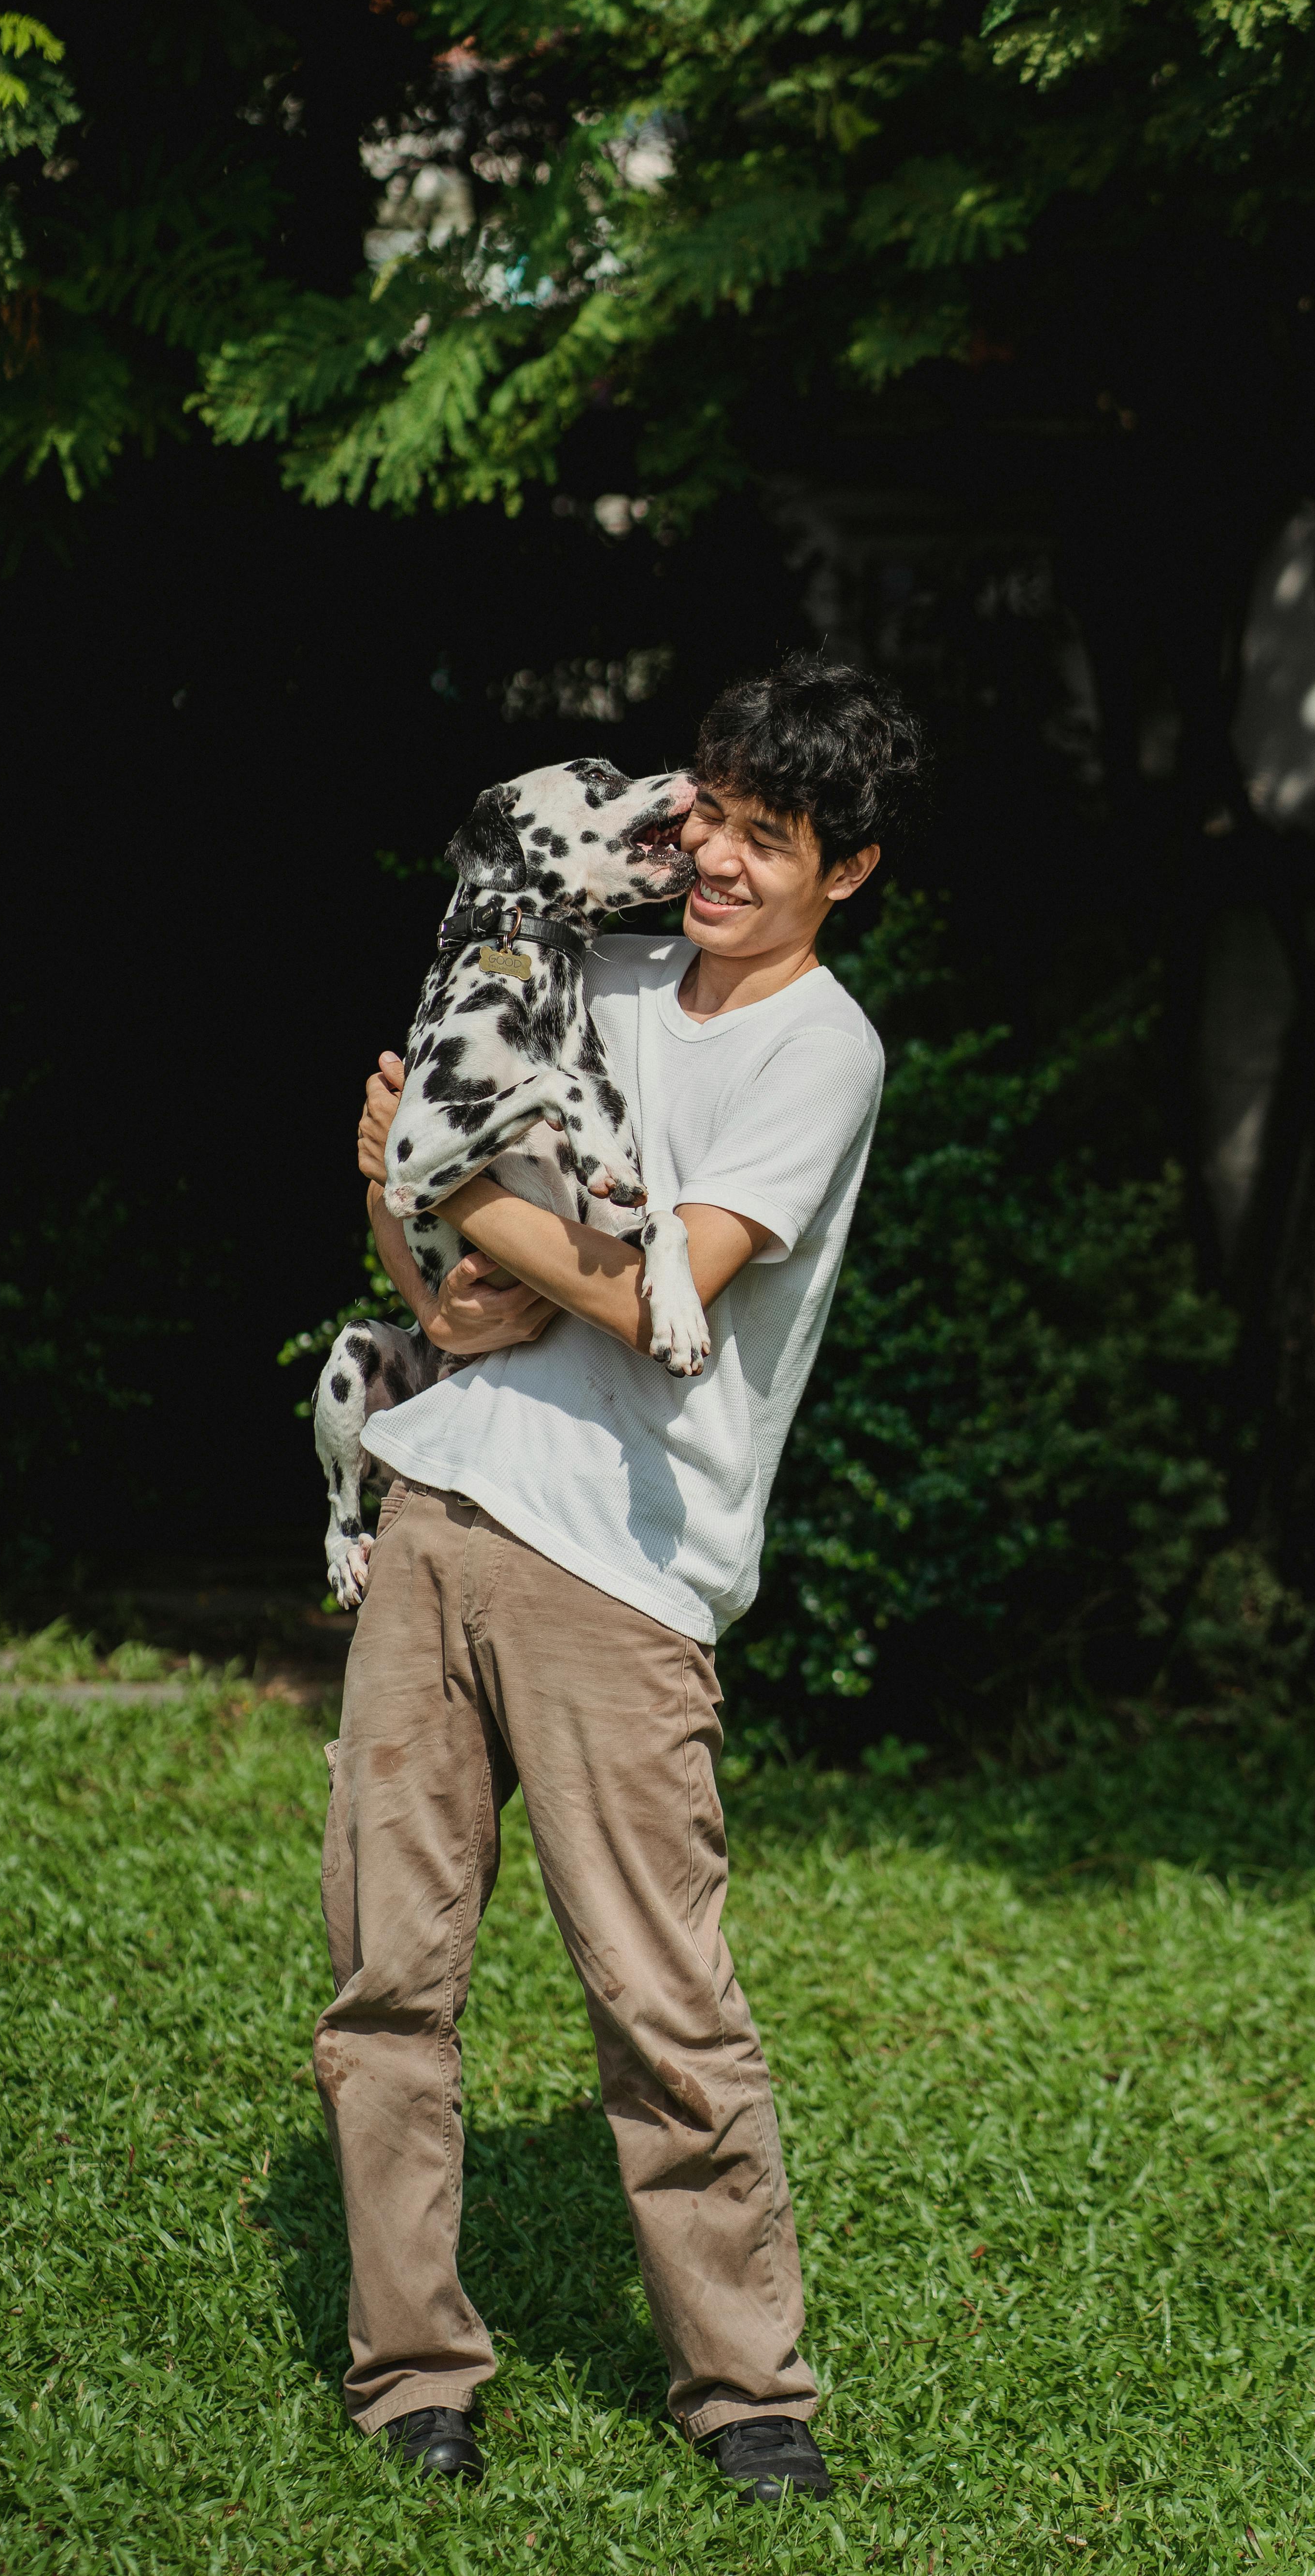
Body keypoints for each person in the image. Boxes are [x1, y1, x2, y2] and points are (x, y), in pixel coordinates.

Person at [316, 655, 922, 2504]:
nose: (718, 860)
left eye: (770, 838)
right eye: (712, 817)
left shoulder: (824, 1053)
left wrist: (468, 1183)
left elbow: (676, 1295)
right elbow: (462, 1276)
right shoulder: (593, 962)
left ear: (853, 871)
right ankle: (413, 2371)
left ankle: (751, 2398)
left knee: (664, 2004)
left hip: (626, 1567)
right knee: (386, 1985)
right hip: (434, 1499)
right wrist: (399, 1200)